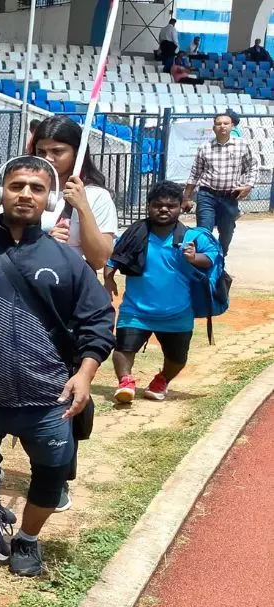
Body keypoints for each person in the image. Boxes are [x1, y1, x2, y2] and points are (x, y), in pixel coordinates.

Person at [0, 157, 114, 577]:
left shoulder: (67, 262)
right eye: (16, 185)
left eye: (36, 188)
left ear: (50, 199)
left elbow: (99, 321)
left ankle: (28, 538)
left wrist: (84, 374)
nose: (26, 194)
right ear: (0, 192)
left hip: (49, 398)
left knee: (50, 473)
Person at [104, 181, 223, 404]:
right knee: (122, 349)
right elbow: (114, 257)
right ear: (148, 206)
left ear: (181, 207)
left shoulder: (193, 237)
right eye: (158, 205)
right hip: (135, 311)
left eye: (171, 206)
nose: (164, 209)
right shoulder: (134, 234)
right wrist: (108, 279)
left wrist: (193, 258)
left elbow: (210, 258)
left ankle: (162, 380)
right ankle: (125, 382)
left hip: (177, 314)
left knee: (177, 359)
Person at [30, 114, 119, 272]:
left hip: (74, 281)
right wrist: (44, 243)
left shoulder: (97, 196)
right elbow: (5, 243)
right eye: (41, 152)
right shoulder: (24, 190)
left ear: (76, 153)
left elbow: (99, 259)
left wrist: (82, 207)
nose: (47, 158)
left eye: (57, 151)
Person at [183, 110, 255, 256]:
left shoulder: (242, 145)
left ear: (232, 126)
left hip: (230, 197)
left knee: (227, 232)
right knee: (204, 231)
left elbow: (252, 166)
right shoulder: (205, 147)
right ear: (214, 127)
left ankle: (220, 258)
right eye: (219, 124)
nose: (222, 126)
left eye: (226, 123)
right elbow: (195, 174)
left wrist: (248, 186)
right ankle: (204, 261)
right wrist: (186, 198)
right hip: (207, 195)